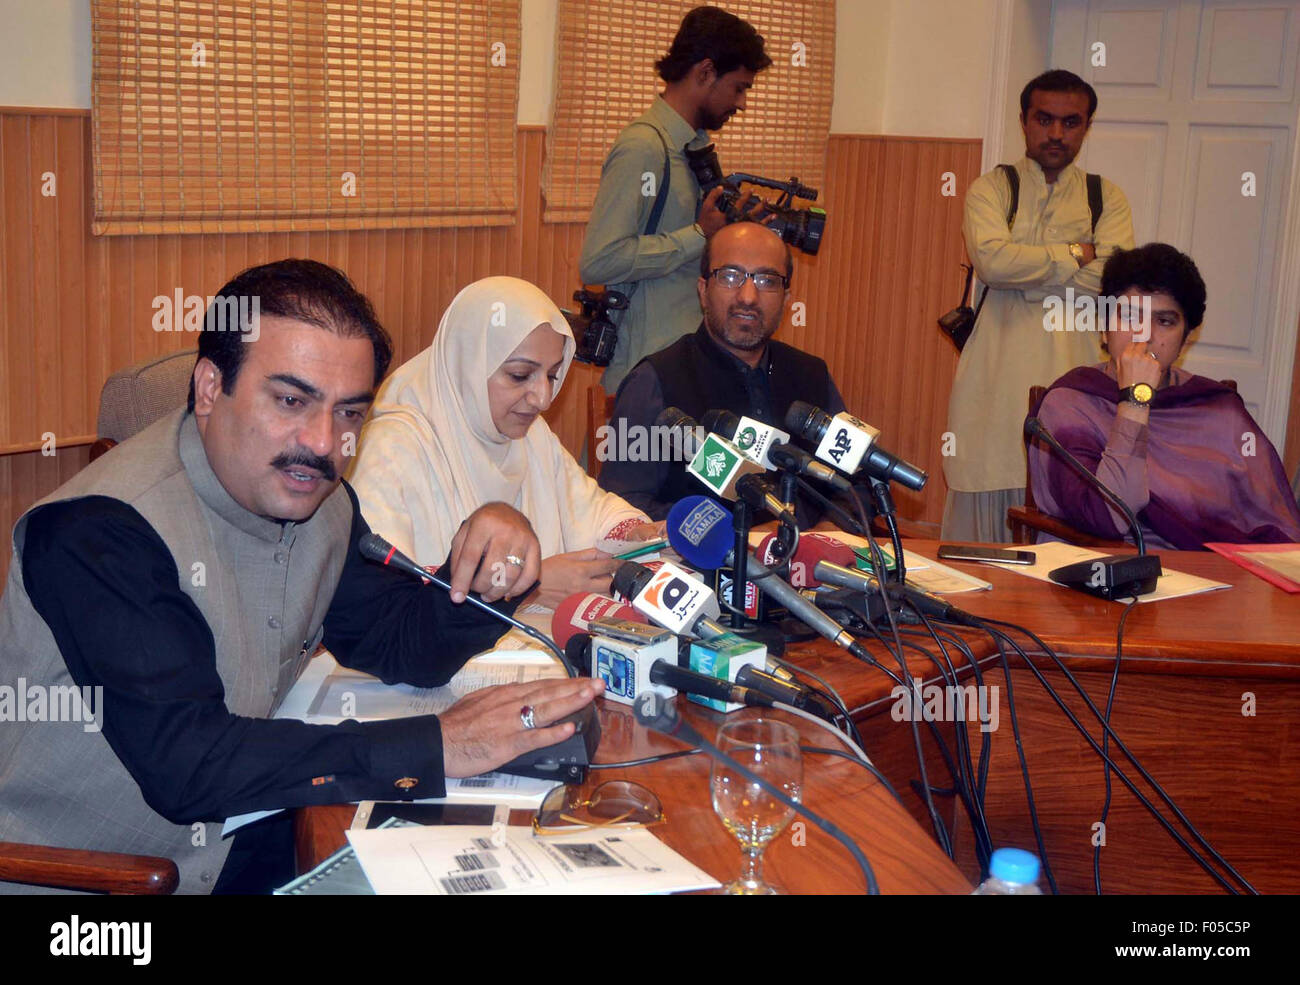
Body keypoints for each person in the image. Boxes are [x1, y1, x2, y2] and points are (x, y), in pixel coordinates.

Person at [0, 259, 604, 894]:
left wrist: (483, 571)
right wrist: (442, 744)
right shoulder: (98, 533)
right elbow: (190, 766)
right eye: (292, 400)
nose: (322, 442)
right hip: (98, 882)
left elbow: (395, 644)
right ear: (209, 388)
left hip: (248, 831)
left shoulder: (318, 499)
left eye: (349, 413)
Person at [350, 276, 661, 611]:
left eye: (552, 375)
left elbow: (591, 511)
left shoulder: (532, 436)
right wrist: (527, 586)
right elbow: (381, 591)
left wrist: (638, 535)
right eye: (519, 375)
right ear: (467, 365)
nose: (543, 398)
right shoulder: (390, 446)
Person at [943, 69, 1135, 542]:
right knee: (978, 542)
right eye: (1043, 119)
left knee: (1066, 524)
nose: (1055, 133)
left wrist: (1024, 272)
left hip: (1075, 388)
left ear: (1086, 127)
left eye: (1070, 122)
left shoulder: (1105, 198)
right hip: (994, 385)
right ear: (1023, 120)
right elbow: (992, 262)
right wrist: (1076, 253)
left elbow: (1114, 280)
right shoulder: (992, 189)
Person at [1029, 243, 1300, 548]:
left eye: (1165, 321)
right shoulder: (1070, 403)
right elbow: (1108, 515)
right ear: (1104, 329)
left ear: (1185, 340)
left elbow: (1275, 525)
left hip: (1208, 578)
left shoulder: (1215, 408)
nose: (1145, 334)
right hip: (1104, 573)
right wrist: (1135, 400)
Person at [579, 4, 771, 392]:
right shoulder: (643, 148)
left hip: (689, 371)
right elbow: (600, 262)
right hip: (646, 379)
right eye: (739, 87)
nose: (742, 103)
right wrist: (700, 234)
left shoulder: (693, 149)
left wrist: (734, 232)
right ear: (705, 72)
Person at [598, 221, 846, 520]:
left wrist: (826, 536)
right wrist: (732, 540)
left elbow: (854, 486)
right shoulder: (655, 380)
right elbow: (623, 507)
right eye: (730, 276)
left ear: (786, 298)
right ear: (703, 290)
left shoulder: (812, 374)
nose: (748, 297)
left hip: (808, 560)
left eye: (767, 280)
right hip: (702, 561)